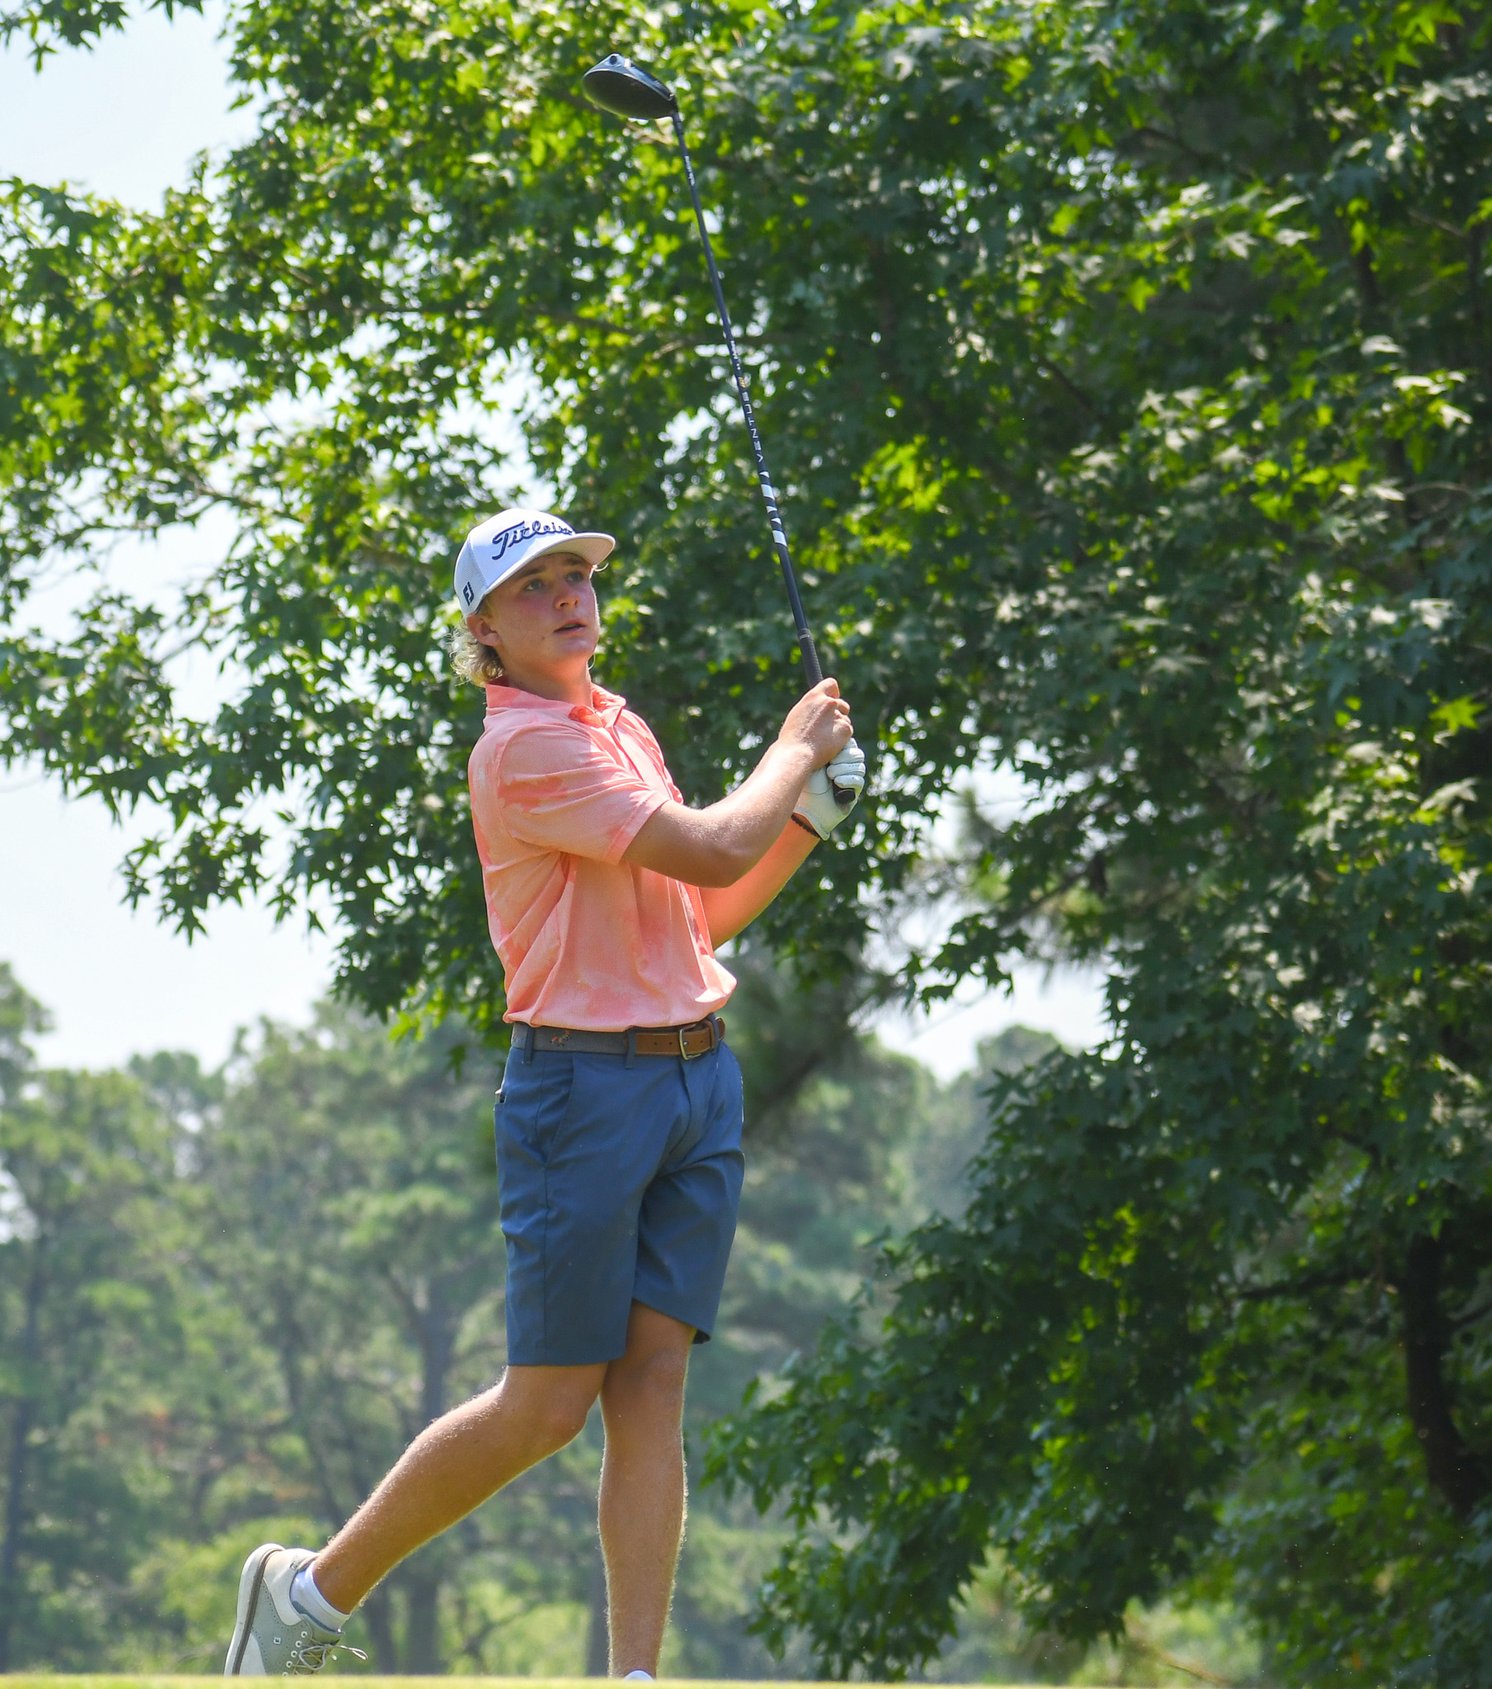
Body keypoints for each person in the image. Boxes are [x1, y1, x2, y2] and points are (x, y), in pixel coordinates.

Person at [223, 506, 864, 1678]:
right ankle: (307, 1597)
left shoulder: (615, 725)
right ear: (484, 632)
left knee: (656, 1381)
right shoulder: (522, 749)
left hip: (694, 1077)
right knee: (547, 1405)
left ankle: (632, 1674)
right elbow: (718, 843)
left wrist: (807, 822)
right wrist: (794, 753)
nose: (568, 594)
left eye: (576, 574)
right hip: (584, 1092)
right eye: (534, 587)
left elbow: (703, 909)